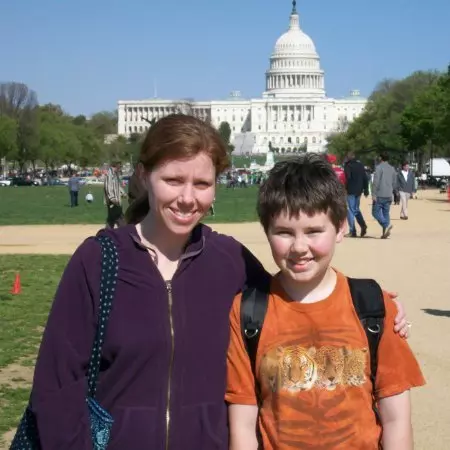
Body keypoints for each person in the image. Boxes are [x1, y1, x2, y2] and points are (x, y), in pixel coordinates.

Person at [27, 115, 409, 450]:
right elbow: (58, 384)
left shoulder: (230, 260)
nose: (187, 198)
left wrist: (380, 307)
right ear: (144, 177)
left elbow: (296, 299)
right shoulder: (99, 261)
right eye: (173, 180)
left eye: (202, 183)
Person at [226, 155, 424, 450]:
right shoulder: (247, 312)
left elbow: (396, 419)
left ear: (341, 228)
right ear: (266, 230)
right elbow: (243, 424)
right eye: (283, 232)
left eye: (314, 231)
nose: (299, 247)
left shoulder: (373, 306)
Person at [372, 153, 397, 239]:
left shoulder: (379, 168)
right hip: (388, 194)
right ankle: (384, 233)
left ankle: (387, 225)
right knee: (386, 213)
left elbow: (376, 182)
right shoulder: (392, 168)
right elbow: (394, 182)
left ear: (380, 158)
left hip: (380, 194)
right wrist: (392, 192)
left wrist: (373, 194)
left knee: (375, 212)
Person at [344, 152, 369, 237]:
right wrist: (366, 189)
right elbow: (365, 177)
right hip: (359, 190)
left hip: (351, 189)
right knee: (356, 209)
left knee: (351, 210)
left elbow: (348, 178)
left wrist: (345, 188)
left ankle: (353, 230)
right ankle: (362, 226)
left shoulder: (347, 166)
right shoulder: (360, 165)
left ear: (348, 158)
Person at [104, 161, 126, 228]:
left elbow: (117, 186)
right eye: (120, 166)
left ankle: (107, 233)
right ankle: (123, 232)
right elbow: (108, 187)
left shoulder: (115, 174)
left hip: (116, 200)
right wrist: (112, 198)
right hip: (112, 201)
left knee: (112, 219)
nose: (120, 168)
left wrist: (123, 193)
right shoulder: (109, 175)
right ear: (116, 166)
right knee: (119, 218)